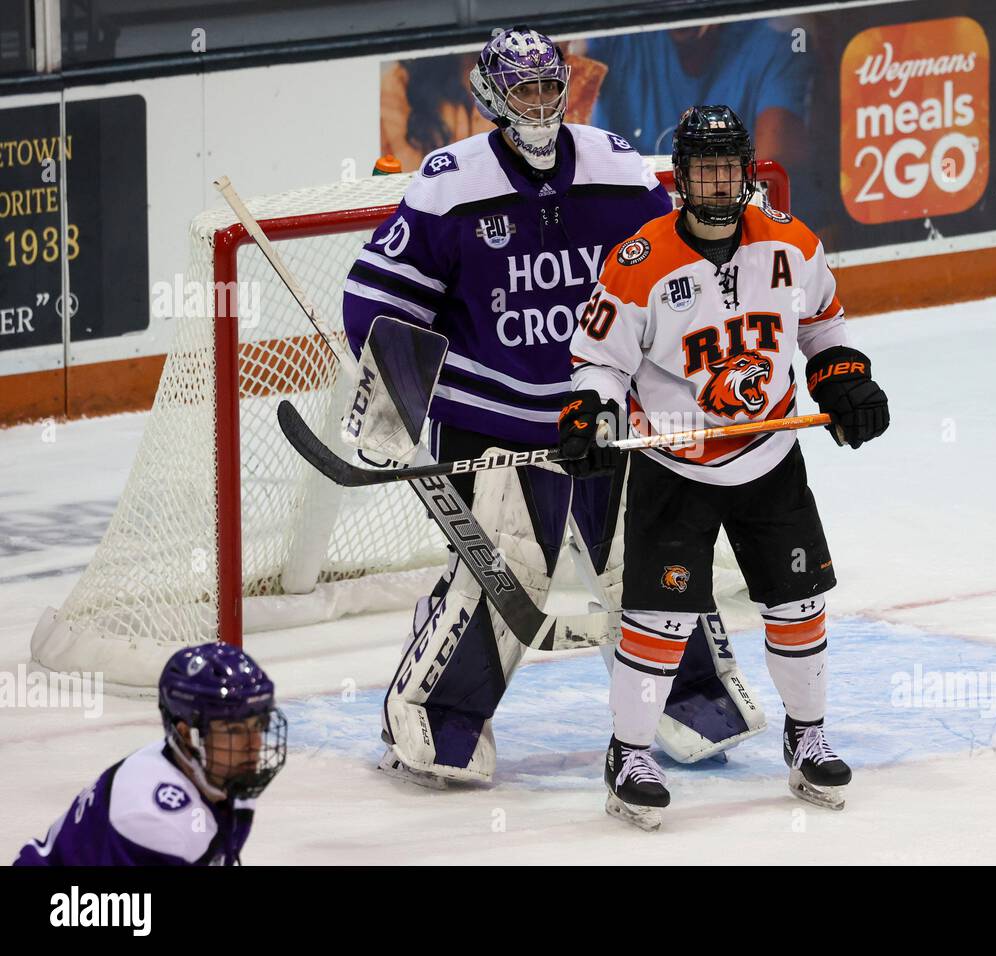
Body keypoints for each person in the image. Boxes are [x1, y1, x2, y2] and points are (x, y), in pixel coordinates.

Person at [344, 28, 767, 787]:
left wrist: (696, 366)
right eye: (524, 89)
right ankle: (440, 717)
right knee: (506, 573)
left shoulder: (615, 165)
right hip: (493, 418)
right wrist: (391, 403)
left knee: (650, 558)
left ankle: (687, 694)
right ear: (491, 94)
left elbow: (670, 264)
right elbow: (384, 295)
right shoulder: (450, 181)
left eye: (549, 86)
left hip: (602, 408)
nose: (540, 102)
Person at [560, 105, 890, 828]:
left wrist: (840, 376)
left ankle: (807, 737)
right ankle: (629, 753)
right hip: (675, 463)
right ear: (680, 177)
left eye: (729, 166)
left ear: (747, 172)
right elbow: (599, 361)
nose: (717, 180)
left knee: (798, 606)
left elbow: (823, 322)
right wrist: (589, 413)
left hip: (771, 454)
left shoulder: (792, 245)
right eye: (703, 168)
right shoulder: (639, 262)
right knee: (657, 620)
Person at [14, 643, 286, 865]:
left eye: (258, 725)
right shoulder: (153, 819)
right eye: (235, 730)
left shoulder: (228, 779)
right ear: (187, 735)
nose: (254, 744)